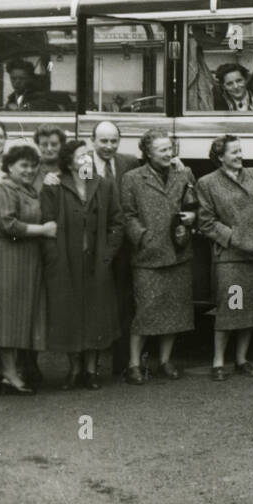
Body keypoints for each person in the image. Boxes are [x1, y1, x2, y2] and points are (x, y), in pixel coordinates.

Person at [196, 135, 253, 380]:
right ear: (220, 157)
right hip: (231, 258)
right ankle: (218, 362)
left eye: (240, 150)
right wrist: (234, 238)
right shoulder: (207, 183)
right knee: (230, 309)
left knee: (250, 310)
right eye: (234, 152)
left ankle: (242, 360)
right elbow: (206, 222)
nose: (239, 155)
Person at [41, 139, 123, 389]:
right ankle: (74, 370)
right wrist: (54, 258)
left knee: (96, 314)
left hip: (96, 261)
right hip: (65, 261)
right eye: (81, 156)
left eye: (88, 155)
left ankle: (91, 371)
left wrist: (107, 254)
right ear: (68, 162)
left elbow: (116, 222)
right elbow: (47, 222)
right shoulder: (55, 186)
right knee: (70, 315)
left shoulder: (104, 184)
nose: (87, 159)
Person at [120, 130, 198, 384]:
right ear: (148, 153)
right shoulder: (132, 178)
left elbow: (194, 203)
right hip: (148, 255)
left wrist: (192, 218)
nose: (168, 153)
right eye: (162, 149)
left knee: (174, 311)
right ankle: (133, 364)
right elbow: (127, 215)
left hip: (178, 251)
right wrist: (142, 238)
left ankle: (165, 361)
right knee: (145, 311)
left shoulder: (183, 173)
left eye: (170, 148)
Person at [0, 144, 54, 394]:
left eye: (32, 165)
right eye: (23, 165)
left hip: (27, 258)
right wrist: (43, 230)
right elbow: (8, 225)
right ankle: (8, 374)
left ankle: (7, 371)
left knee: (22, 315)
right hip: (8, 257)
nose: (29, 170)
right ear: (9, 166)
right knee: (7, 316)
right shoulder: (4, 189)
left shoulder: (27, 189)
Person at [91, 120, 142, 376]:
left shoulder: (129, 162)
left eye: (113, 141)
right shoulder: (84, 165)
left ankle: (121, 363)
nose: (109, 146)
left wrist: (177, 163)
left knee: (123, 300)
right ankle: (91, 363)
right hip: (93, 242)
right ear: (93, 141)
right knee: (94, 302)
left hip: (123, 244)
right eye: (103, 141)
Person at [32, 124, 66, 190]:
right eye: (44, 145)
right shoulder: (31, 170)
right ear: (38, 145)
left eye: (54, 144)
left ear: (62, 145)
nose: (49, 148)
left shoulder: (70, 170)